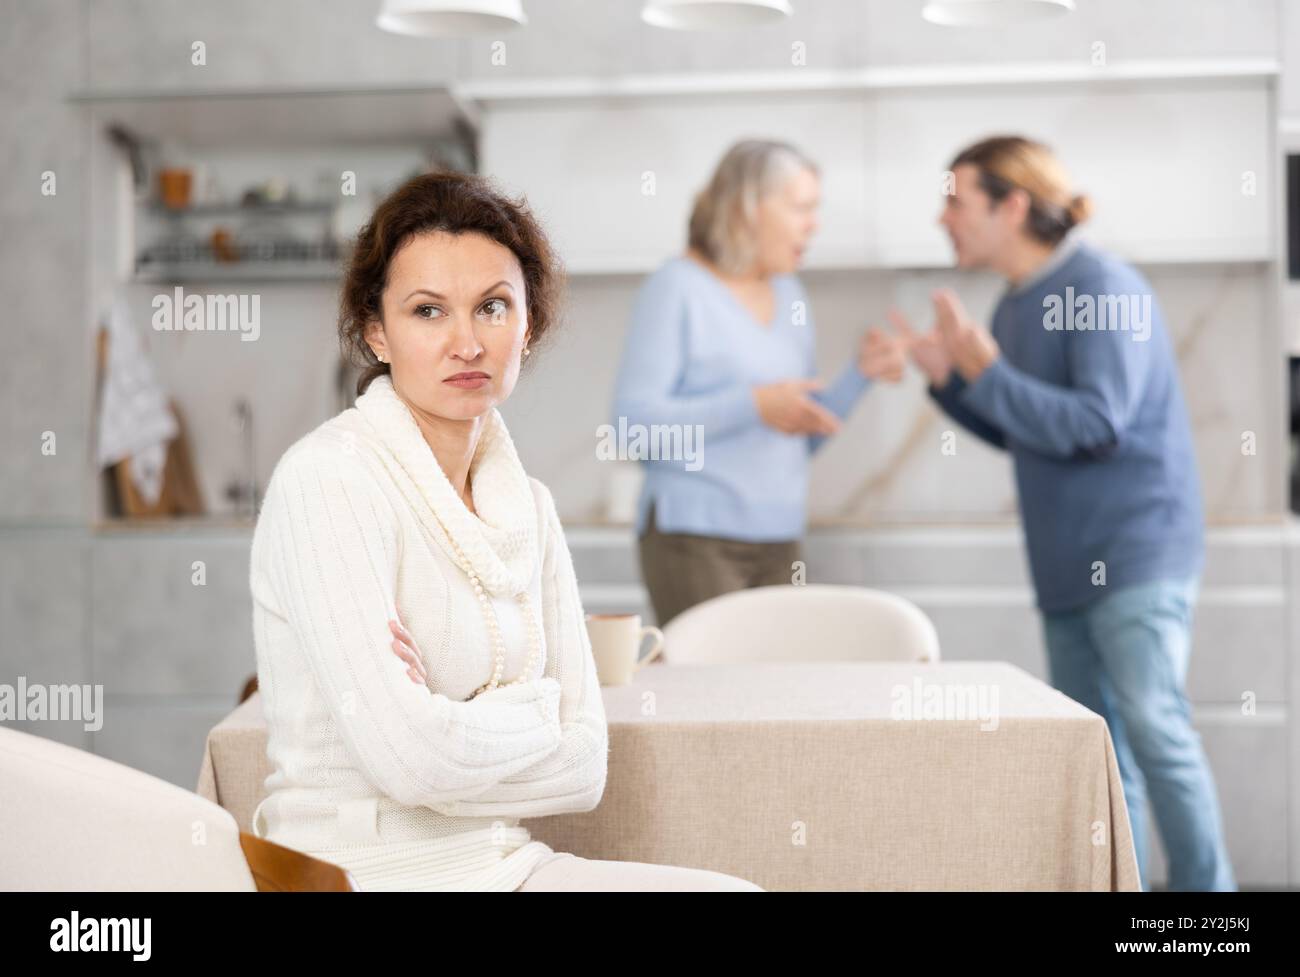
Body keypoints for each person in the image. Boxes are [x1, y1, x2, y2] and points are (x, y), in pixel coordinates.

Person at [248, 170, 763, 892]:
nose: (466, 342)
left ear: (529, 325)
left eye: (492, 306)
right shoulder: (329, 480)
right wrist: (535, 708)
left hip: (502, 863)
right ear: (376, 331)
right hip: (355, 873)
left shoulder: (531, 506)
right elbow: (407, 760)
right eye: (428, 311)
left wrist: (449, 723)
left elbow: (585, 767)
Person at [877, 135, 1234, 892]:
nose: (942, 219)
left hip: (1136, 553)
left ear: (1012, 205)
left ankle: (1211, 911)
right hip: (1067, 563)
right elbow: (1027, 430)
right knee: (1103, 754)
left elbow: (1099, 424)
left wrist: (988, 370)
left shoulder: (1102, 284)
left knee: (1156, 735)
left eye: (955, 200)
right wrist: (952, 381)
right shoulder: (1014, 303)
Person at [611, 139, 904, 627]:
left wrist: (859, 376)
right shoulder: (677, 287)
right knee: (716, 699)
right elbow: (632, 430)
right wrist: (753, 405)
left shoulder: (790, 294)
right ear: (748, 207)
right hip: (695, 539)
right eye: (802, 208)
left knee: (776, 699)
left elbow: (794, 435)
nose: (815, 224)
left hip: (780, 537)